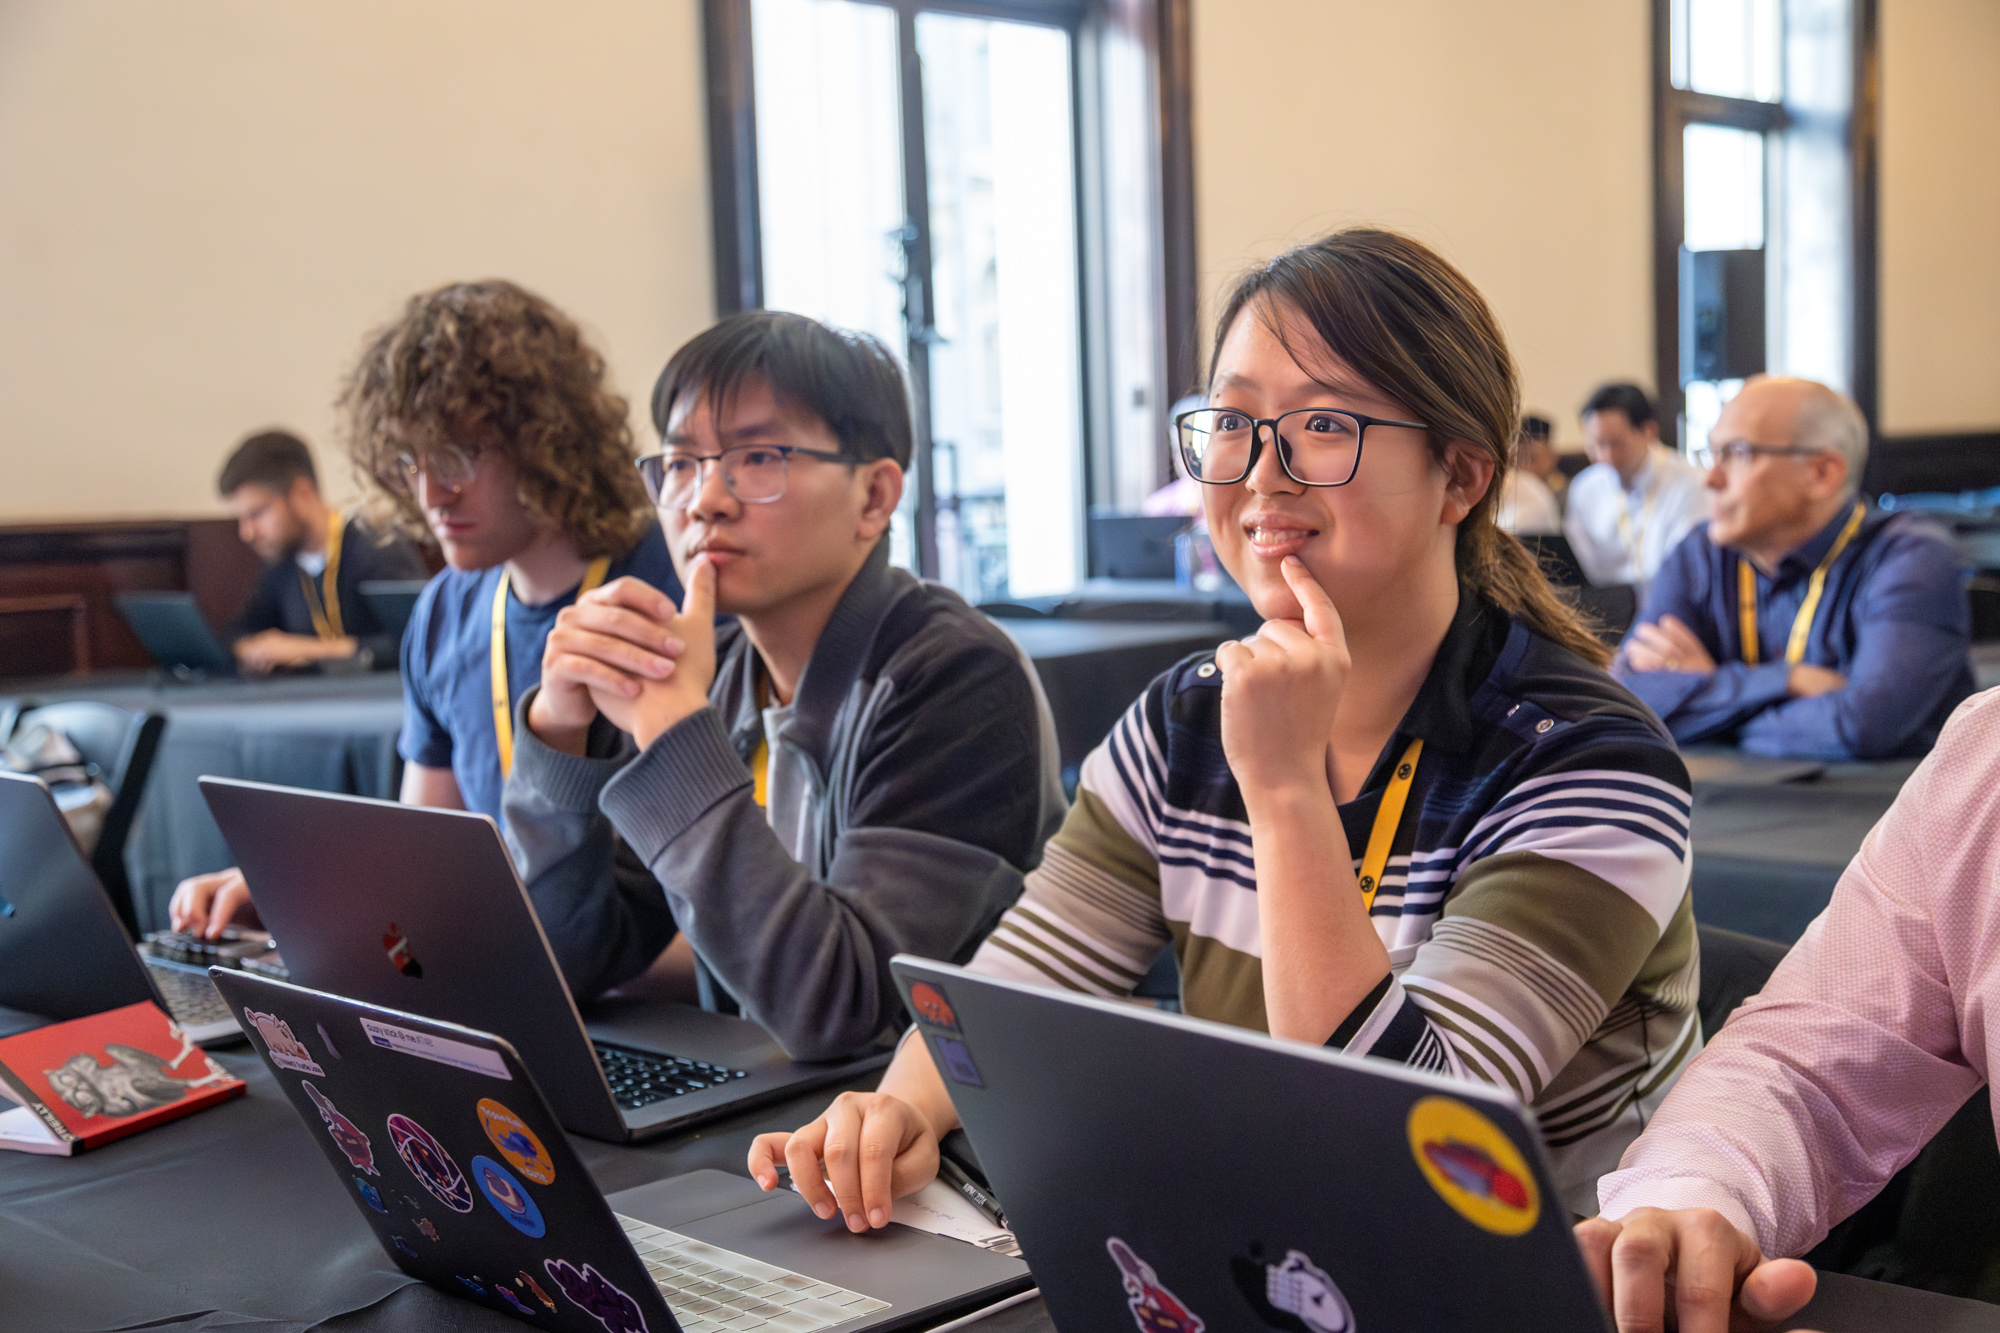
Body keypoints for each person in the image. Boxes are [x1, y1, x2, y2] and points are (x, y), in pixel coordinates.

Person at [747, 227, 1701, 1231]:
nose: (1257, 474)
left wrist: (1285, 789)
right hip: (1266, 1251)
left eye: (1322, 424)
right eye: (1231, 423)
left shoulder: (1586, 759)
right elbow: (1009, 993)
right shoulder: (1182, 717)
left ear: (1460, 477)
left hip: (1524, 1287)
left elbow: (1394, 1157)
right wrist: (896, 1110)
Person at [499, 310, 1066, 1054]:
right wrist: (559, 741)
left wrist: (675, 736)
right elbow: (567, 960)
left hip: (934, 1146)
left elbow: (846, 1011)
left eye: (759, 457)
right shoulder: (729, 672)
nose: (704, 499)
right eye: (680, 463)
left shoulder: (956, 676)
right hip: (772, 1122)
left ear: (874, 497)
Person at [171, 281, 683, 1001]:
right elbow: (423, 861)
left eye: (461, 458)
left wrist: (538, 976)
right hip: (518, 985)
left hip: (635, 1000)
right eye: (413, 464)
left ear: (546, 441)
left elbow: (721, 915)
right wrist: (310, 902)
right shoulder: (445, 610)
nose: (431, 496)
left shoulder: (669, 584)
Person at [1579, 688, 2000, 1333]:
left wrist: (1725, 686)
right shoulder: (1987, 754)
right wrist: (1688, 1204)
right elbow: (1804, 1062)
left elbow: (1870, 715)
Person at [1615, 375, 1971, 760]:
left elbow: (1861, 726)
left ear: (1821, 474)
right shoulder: (1698, 554)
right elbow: (1629, 700)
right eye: (1710, 453)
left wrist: (1708, 704)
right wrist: (1791, 680)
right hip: (1739, 807)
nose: (1710, 478)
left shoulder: (1910, 558)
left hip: (1884, 808)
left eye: (1737, 453)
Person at [218, 429, 426, 673]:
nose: (247, 533)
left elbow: (419, 641)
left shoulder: (376, 547)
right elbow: (237, 634)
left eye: (258, 514)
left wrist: (307, 650)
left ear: (303, 493)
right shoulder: (282, 565)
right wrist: (251, 649)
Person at [1564, 384, 1709, 593]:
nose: (1606, 456)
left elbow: (1686, 566)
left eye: (1616, 444)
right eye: (1596, 445)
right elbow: (1585, 567)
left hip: (1672, 602)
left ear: (1648, 431)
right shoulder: (1585, 489)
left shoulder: (1691, 483)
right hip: (1607, 608)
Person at [1496, 417, 1563, 536]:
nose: (1524, 468)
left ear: (1552, 455)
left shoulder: (1568, 493)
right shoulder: (1508, 490)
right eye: (1518, 460)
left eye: (1532, 459)